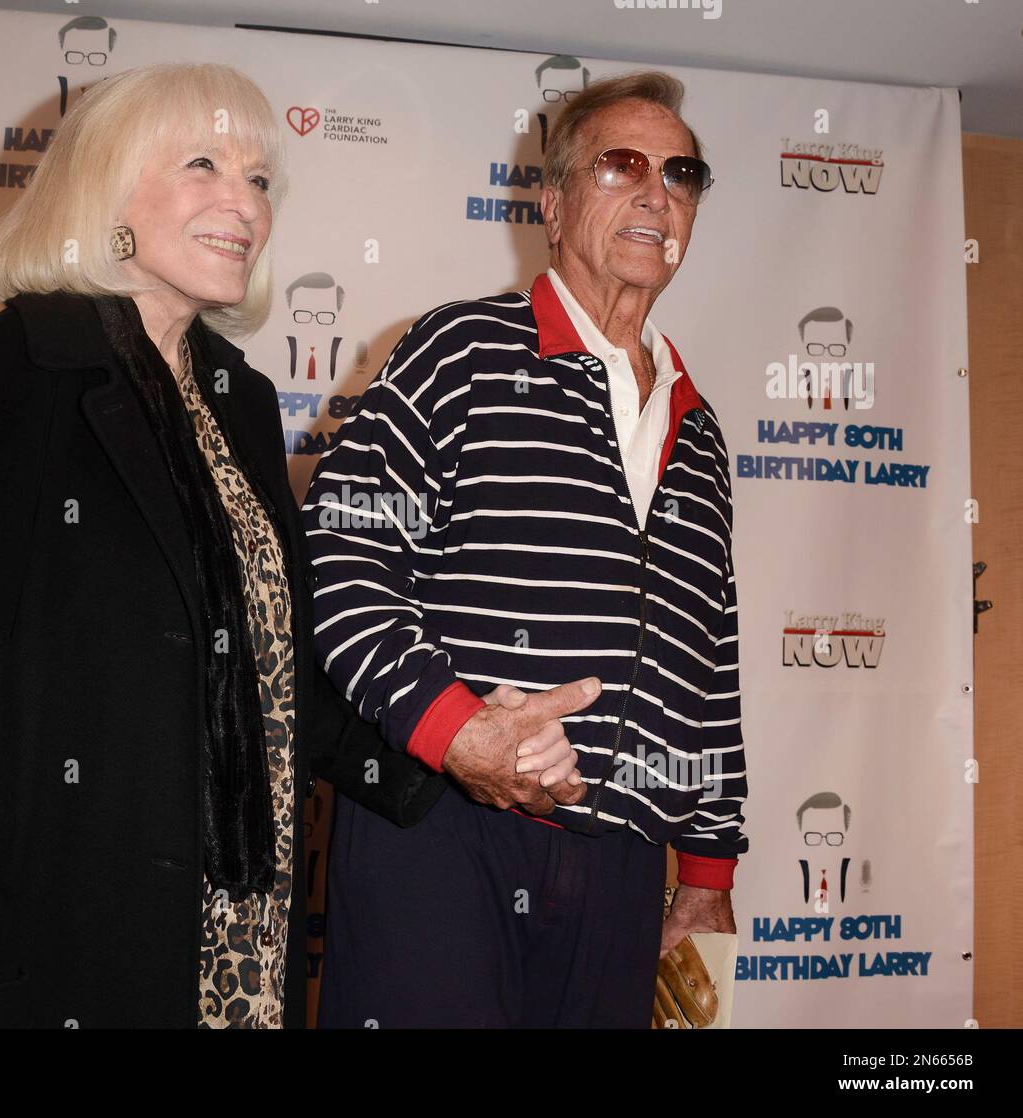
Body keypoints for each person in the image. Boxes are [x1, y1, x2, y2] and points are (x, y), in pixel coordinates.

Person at [0, 61, 587, 1029]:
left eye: (260, 178)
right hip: (46, 947)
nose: (245, 204)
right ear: (106, 189)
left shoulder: (238, 401)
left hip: (233, 937)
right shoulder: (4, 370)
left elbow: (272, 676)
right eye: (204, 165)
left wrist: (459, 744)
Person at [304, 70, 748, 1028]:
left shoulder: (701, 426)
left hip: (626, 864)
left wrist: (706, 870)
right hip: (444, 831)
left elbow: (710, 657)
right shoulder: (459, 349)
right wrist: (454, 730)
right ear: (553, 204)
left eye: (682, 173)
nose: (656, 191)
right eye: (621, 164)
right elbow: (339, 556)